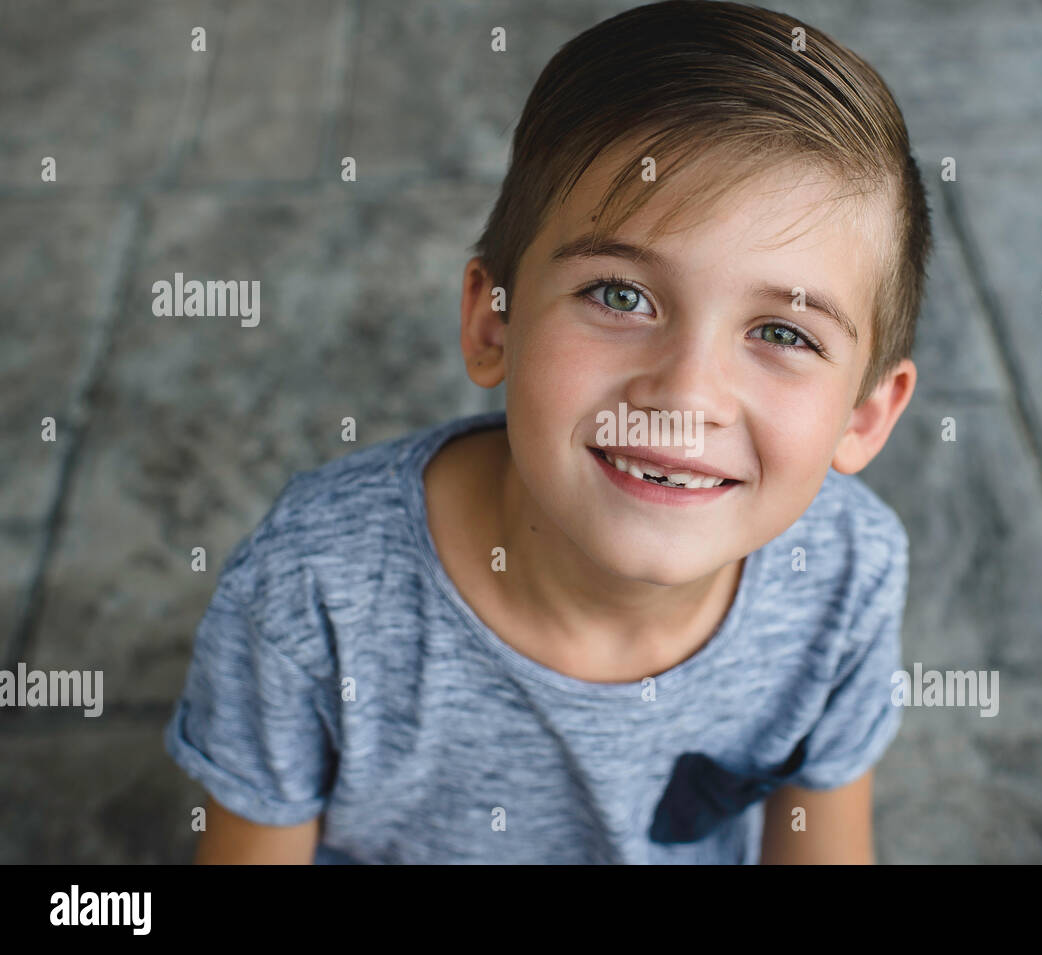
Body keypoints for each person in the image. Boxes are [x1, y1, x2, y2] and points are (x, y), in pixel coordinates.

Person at [164, 0, 930, 864]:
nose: (685, 392)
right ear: (494, 324)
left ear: (864, 416)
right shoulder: (313, 586)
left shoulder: (848, 574)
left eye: (783, 333)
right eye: (619, 295)